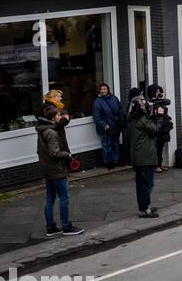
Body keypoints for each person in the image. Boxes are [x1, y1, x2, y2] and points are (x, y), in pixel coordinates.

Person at [36, 105, 83, 238]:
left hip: (46, 168)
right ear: (52, 118)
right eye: (57, 116)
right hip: (56, 169)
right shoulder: (51, 132)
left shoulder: (42, 129)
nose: (59, 117)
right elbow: (54, 153)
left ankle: (51, 228)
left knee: (50, 198)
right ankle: (66, 226)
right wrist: (68, 155)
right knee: (64, 197)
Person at [127, 93, 160, 217]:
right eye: (142, 101)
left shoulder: (131, 118)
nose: (145, 102)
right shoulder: (142, 120)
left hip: (138, 156)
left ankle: (146, 206)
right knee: (146, 184)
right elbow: (156, 129)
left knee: (142, 184)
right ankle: (144, 210)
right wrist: (159, 116)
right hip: (145, 156)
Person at [91, 83, 124, 170]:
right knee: (107, 145)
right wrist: (104, 124)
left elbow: (120, 110)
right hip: (106, 128)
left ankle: (116, 160)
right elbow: (96, 116)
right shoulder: (97, 102)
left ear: (108, 89)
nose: (103, 91)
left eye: (105, 89)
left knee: (116, 144)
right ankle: (108, 162)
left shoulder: (114, 98)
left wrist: (121, 121)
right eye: (101, 89)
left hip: (116, 126)